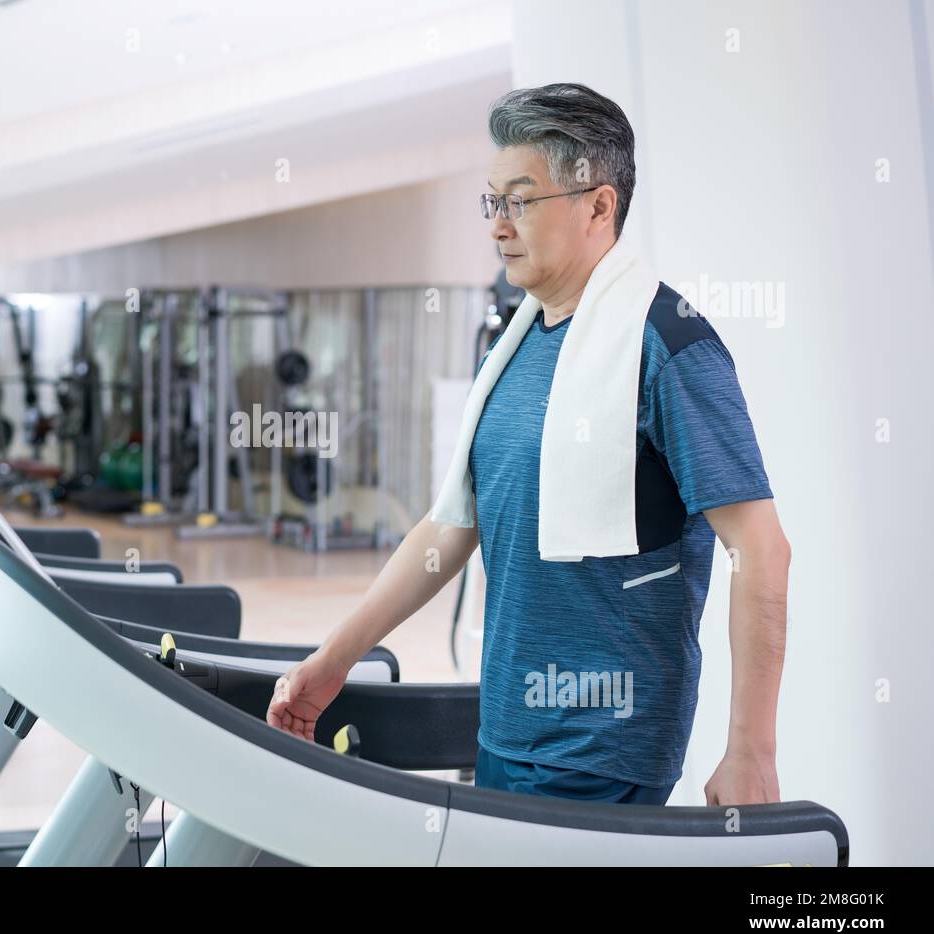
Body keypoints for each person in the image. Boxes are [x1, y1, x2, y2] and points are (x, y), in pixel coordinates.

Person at [266, 82, 789, 807]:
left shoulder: (670, 344)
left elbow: (760, 546)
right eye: (491, 202)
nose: (498, 225)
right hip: (506, 728)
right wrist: (332, 661)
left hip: (603, 746)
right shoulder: (513, 348)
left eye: (520, 200)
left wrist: (751, 752)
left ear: (599, 206)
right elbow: (451, 527)